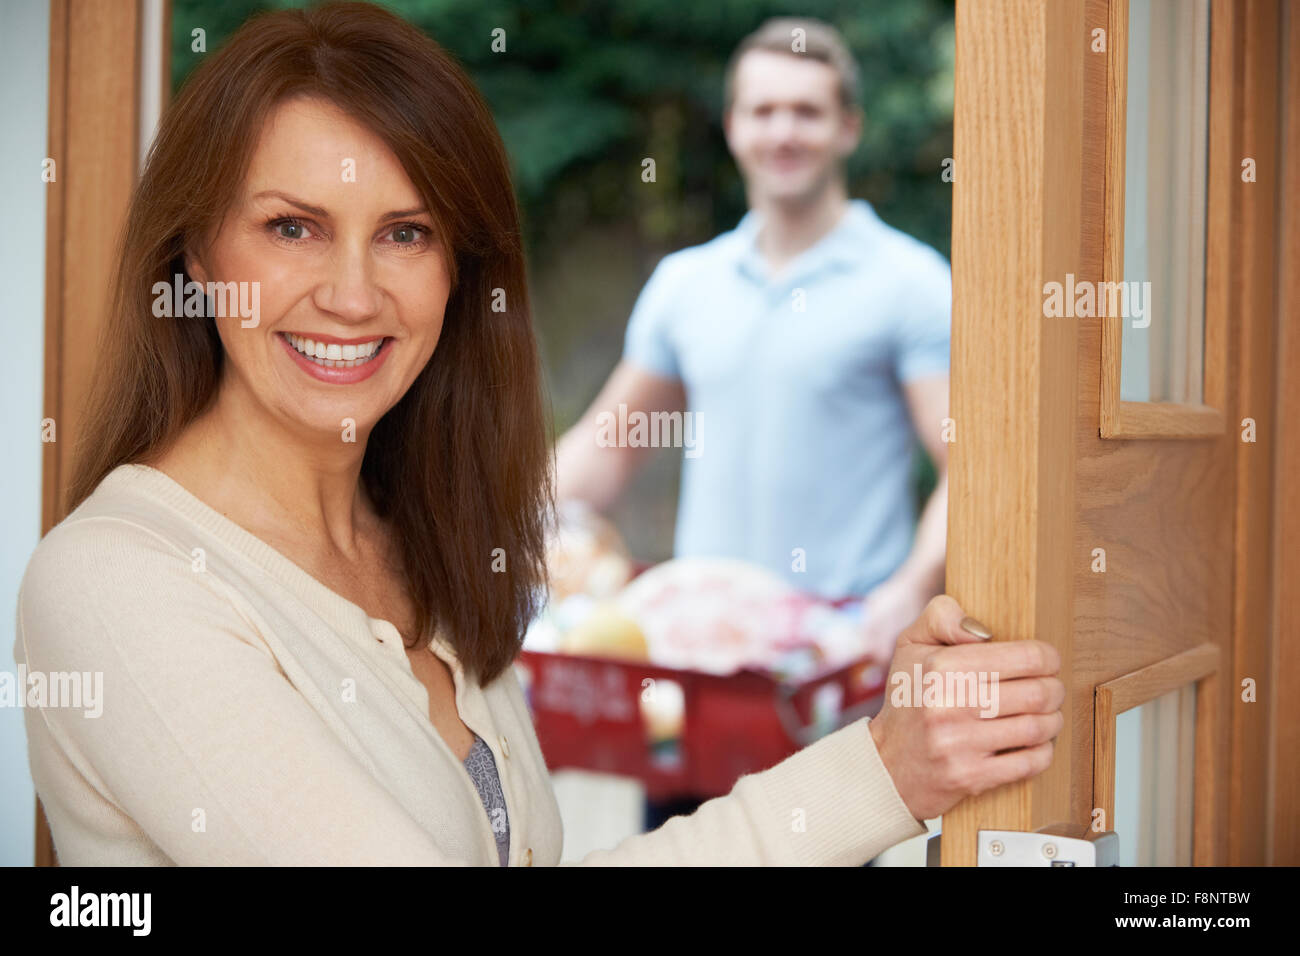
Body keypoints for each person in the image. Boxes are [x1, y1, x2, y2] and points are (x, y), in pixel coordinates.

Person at [15, 1, 1062, 866]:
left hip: (814, 654)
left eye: (406, 232)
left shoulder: (420, 552)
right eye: (291, 226)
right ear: (196, 257)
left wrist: (889, 749)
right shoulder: (118, 583)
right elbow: (607, 447)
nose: (350, 292)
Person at [553, 17, 953, 830]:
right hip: (693, 677)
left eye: (806, 112)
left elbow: (970, 464)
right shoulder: (686, 285)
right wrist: (481, 520)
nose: (783, 131)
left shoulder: (909, 283)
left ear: (848, 127)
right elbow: (603, 452)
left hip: (831, 678)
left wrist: (906, 592)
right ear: (733, 127)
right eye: (763, 111)